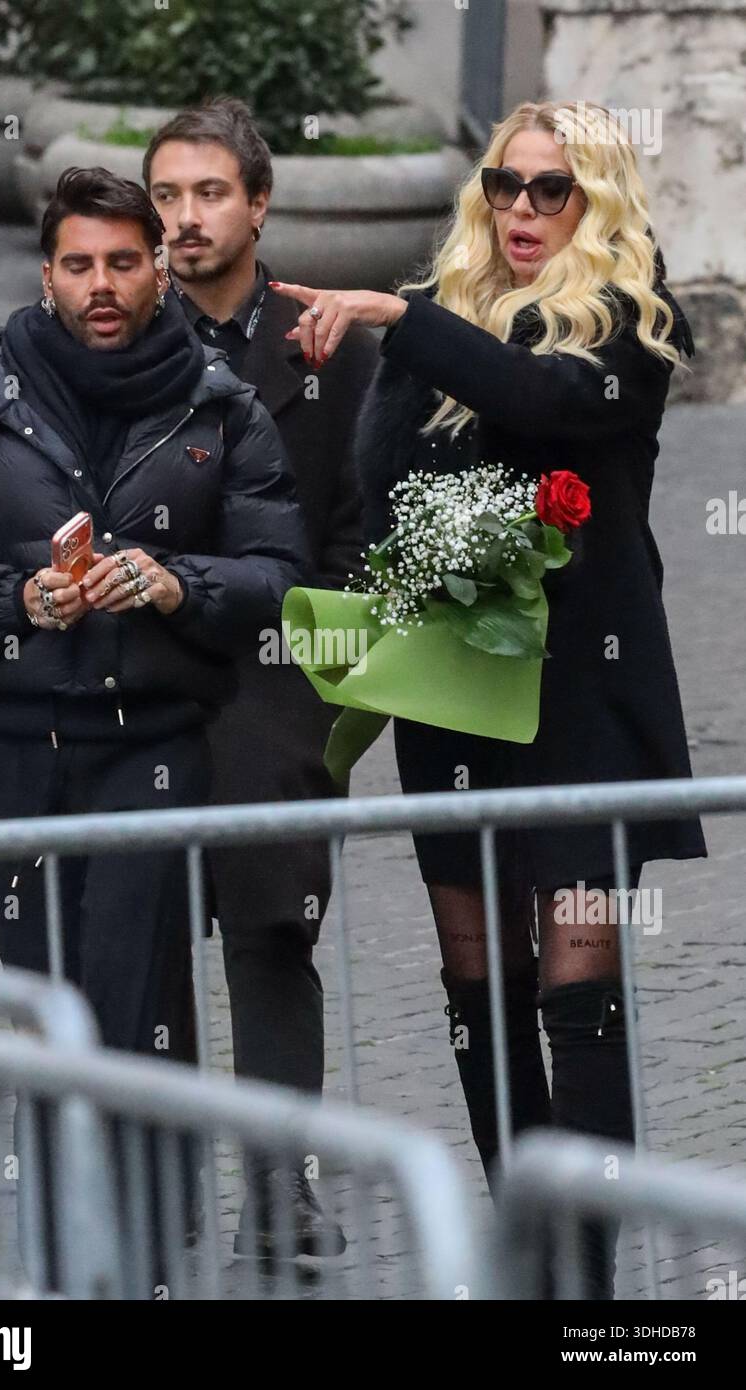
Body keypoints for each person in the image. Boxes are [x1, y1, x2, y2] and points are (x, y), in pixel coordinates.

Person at [272, 100, 708, 1298]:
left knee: (580, 990)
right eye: (504, 185)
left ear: (595, 198)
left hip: (583, 698)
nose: (520, 209)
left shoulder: (635, 316)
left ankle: (590, 1284)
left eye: (550, 190)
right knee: (480, 988)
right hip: (458, 699)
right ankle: (528, 1251)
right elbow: (379, 479)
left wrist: (396, 319)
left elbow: (553, 406)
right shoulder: (446, 309)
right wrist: (434, 537)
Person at [0, 166, 308, 1277]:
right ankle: (77, 1255)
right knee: (50, 1008)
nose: (102, 285)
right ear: (47, 273)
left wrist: (181, 586)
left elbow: (275, 572)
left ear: (157, 266)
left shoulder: (219, 403)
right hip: (10, 753)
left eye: (124, 261)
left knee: (123, 1006)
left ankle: (133, 1253)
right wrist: (9, 600)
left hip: (153, 750)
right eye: (79, 263)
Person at [143, 97, 379, 1258]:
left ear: (259, 201)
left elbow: (362, 537)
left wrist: (314, 695)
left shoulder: (330, 340)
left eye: (208, 194)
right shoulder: (119, 332)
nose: (184, 220)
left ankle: (280, 1187)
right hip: (134, 680)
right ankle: (160, 1188)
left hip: (278, 684)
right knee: (138, 938)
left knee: (271, 935)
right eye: (167, 197)